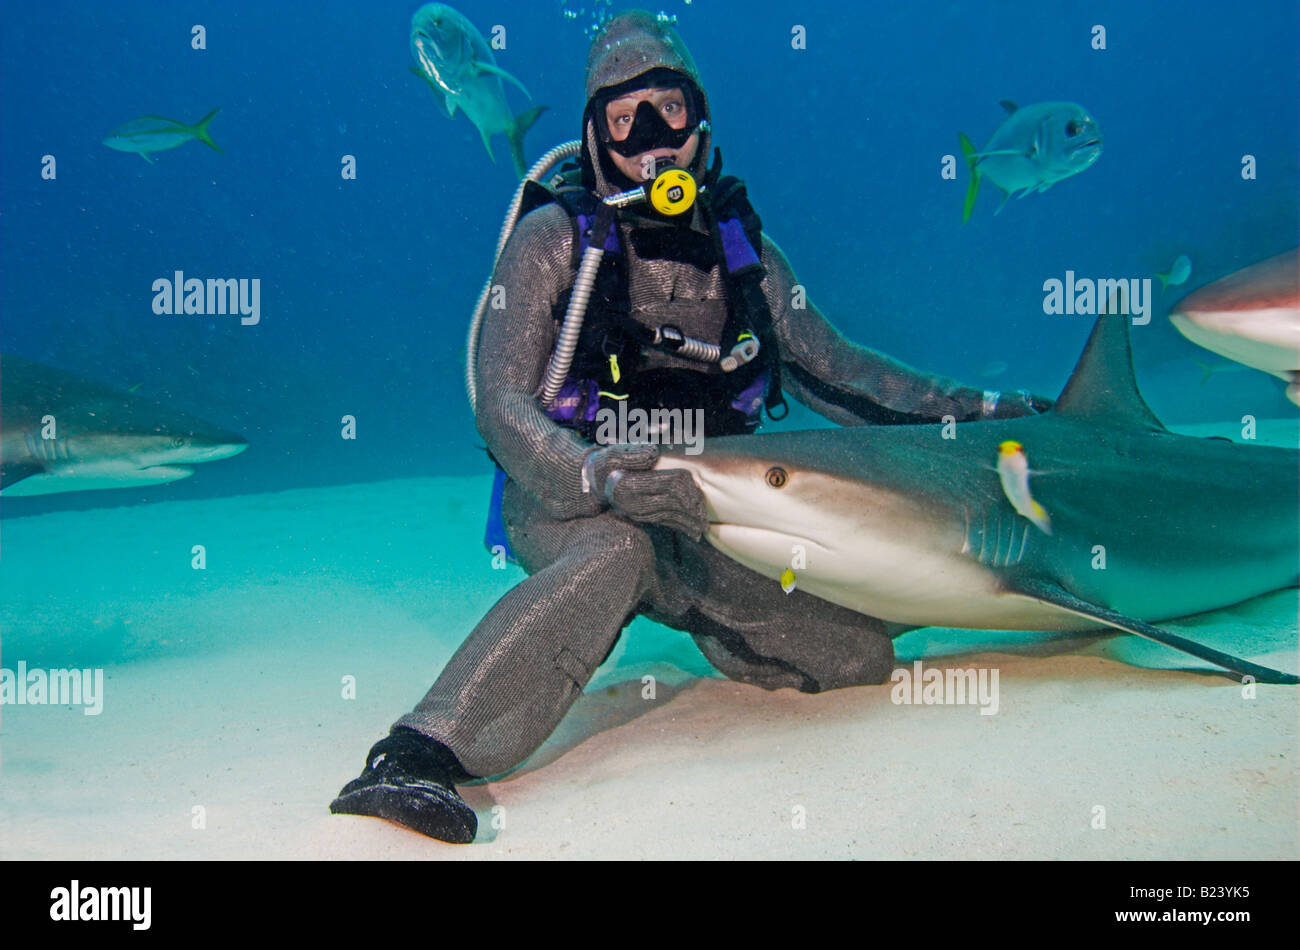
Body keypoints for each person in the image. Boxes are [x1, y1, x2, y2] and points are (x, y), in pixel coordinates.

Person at [330, 10, 1048, 843]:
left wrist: (991, 410)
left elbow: (846, 377)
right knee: (616, 554)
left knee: (855, 658)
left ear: (701, 121)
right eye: (623, 121)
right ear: (594, 138)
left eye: (667, 112)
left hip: (699, 513)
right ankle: (416, 755)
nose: (651, 144)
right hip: (569, 502)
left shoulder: (746, 255)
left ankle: (714, 625)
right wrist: (591, 475)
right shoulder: (551, 241)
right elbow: (500, 401)